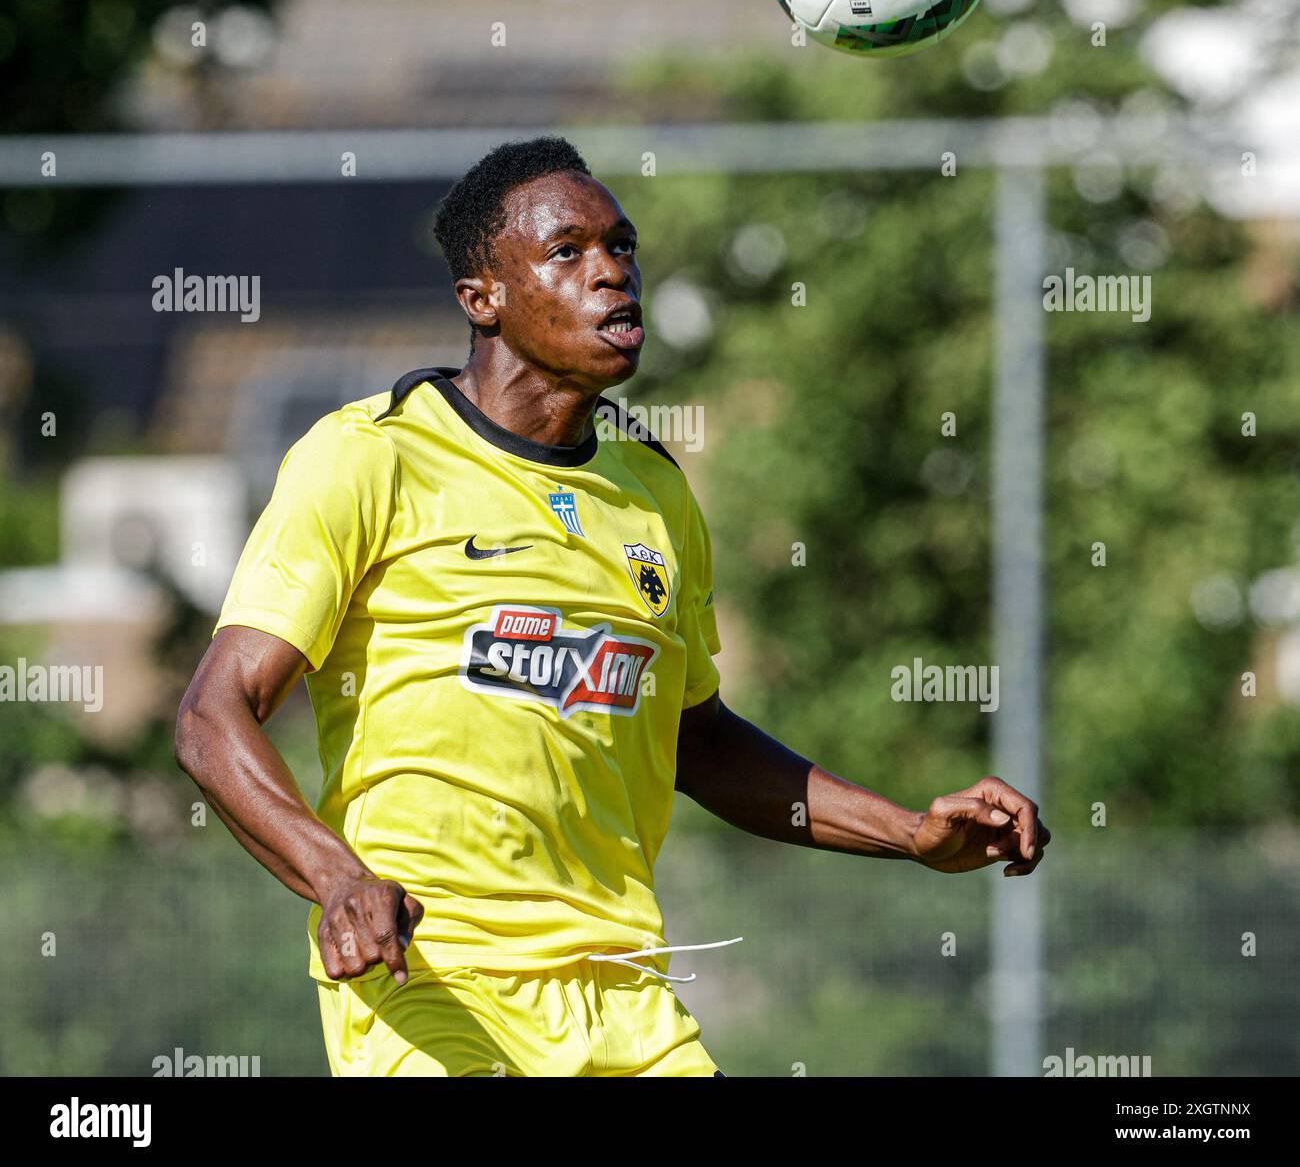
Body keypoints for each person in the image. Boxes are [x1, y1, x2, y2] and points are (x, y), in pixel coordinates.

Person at [175, 136, 1049, 1078]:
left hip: (625, 999)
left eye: (622, 246)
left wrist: (908, 833)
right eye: (568, 252)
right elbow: (211, 715)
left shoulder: (654, 493)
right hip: (432, 982)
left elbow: (699, 741)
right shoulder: (369, 457)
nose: (613, 274)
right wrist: (338, 879)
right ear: (483, 299)